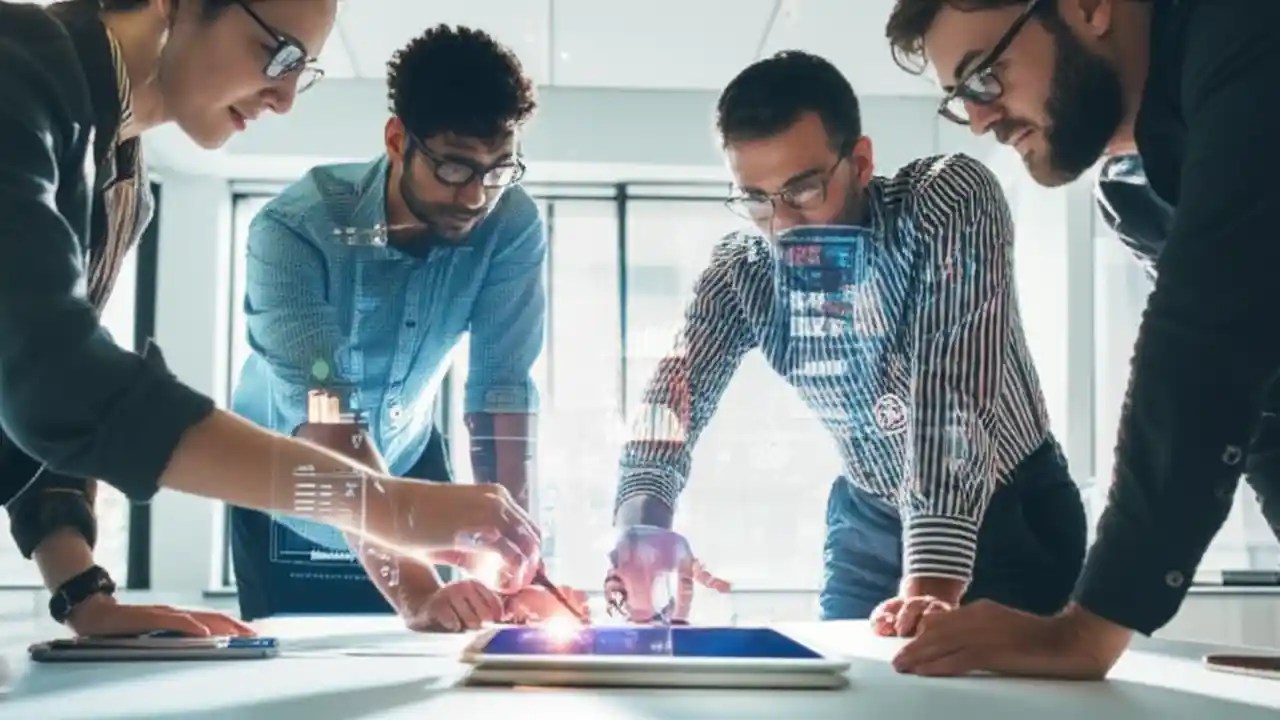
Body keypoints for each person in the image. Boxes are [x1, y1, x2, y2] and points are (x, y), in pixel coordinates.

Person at [0, 0, 538, 641]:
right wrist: (392, 507)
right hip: (301, 494)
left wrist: (83, 593)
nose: (284, 98)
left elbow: (43, 403)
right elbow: (58, 379)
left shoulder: (123, 185)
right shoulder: (19, 60)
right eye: (277, 51)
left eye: (301, 70)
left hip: (370, 480)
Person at [604, 50, 1087, 631]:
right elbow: (670, 404)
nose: (782, 225)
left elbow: (949, 392)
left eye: (803, 190)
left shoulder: (946, 201)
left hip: (1007, 507)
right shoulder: (743, 272)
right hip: (868, 519)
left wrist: (930, 584)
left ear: (859, 162)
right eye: (757, 199)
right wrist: (643, 528)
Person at [883, 0, 1280, 678]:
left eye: (983, 77)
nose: (980, 120)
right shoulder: (1134, 190)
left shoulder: (1245, 30)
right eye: (961, 100)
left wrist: (1089, 628)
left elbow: (1206, 338)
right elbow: (1261, 395)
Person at [229, 24, 563, 631]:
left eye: (497, 171)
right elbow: (325, 407)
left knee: (446, 652)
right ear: (396, 140)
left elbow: (500, 390)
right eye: (455, 168)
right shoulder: (293, 230)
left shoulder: (510, 224)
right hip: (291, 485)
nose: (475, 198)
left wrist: (517, 562)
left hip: (410, 460)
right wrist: (413, 592)